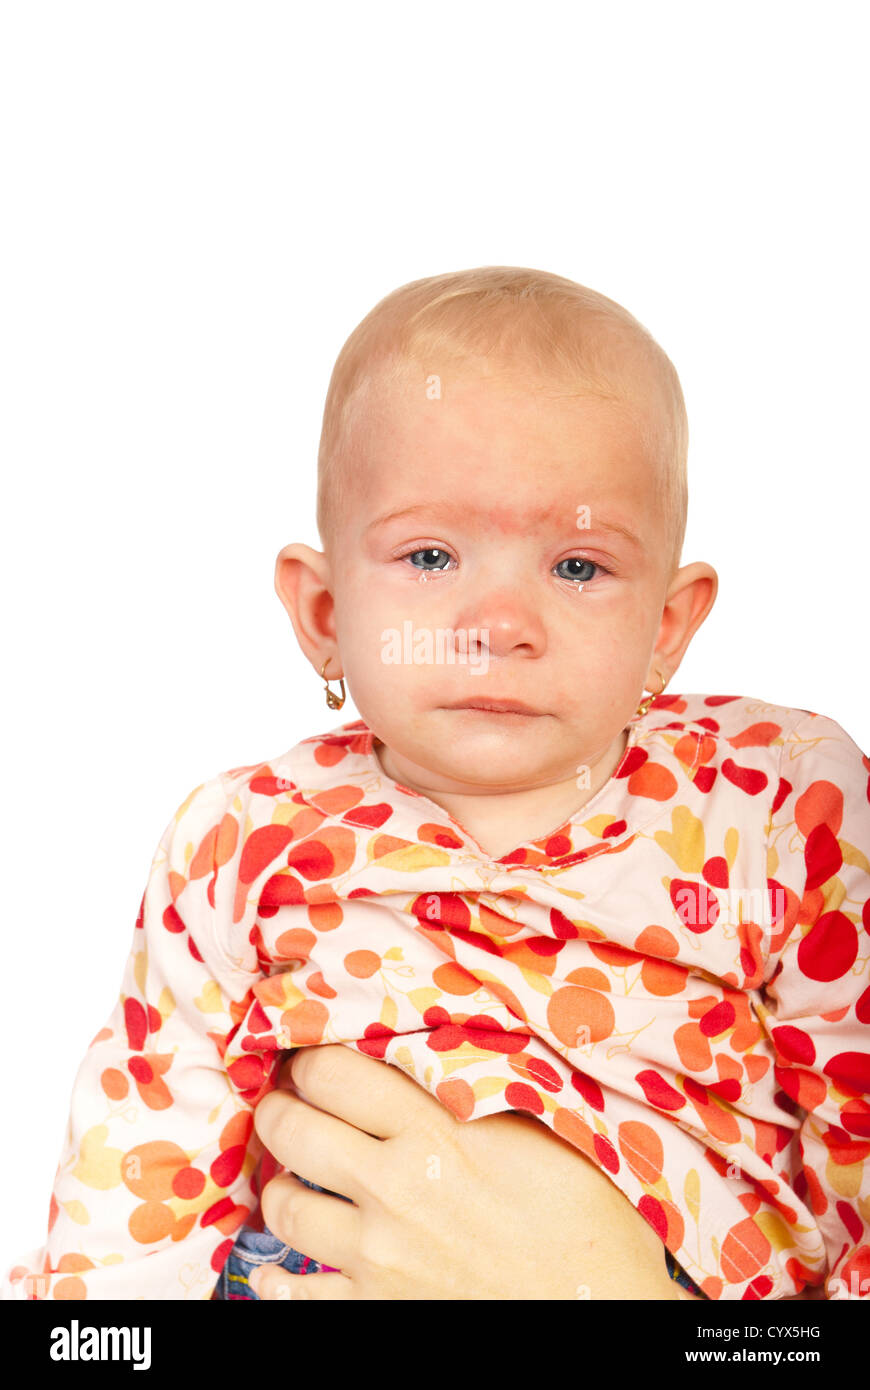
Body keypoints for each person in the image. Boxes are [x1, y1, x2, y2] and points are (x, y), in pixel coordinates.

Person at [4, 267, 867, 1301]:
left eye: (578, 567)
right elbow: (149, 1135)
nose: (499, 623)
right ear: (324, 614)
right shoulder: (246, 839)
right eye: (429, 554)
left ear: (667, 629)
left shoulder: (781, 805)